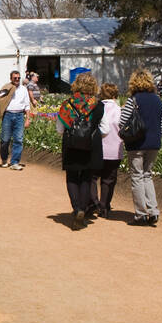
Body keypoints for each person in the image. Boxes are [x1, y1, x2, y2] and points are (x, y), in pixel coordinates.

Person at [117, 69, 162, 226]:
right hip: (154, 144)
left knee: (137, 177)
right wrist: (154, 134)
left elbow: (122, 122)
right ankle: (153, 210)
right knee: (148, 175)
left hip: (136, 144)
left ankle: (140, 214)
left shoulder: (133, 100)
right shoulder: (157, 100)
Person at [57, 74, 103, 228]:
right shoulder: (98, 105)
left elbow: (59, 129)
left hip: (71, 145)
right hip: (90, 146)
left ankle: (76, 208)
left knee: (72, 177)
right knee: (86, 178)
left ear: (76, 84)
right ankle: (83, 209)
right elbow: (106, 129)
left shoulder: (68, 104)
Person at [94, 83, 123, 218]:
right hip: (114, 149)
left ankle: (94, 203)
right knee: (109, 179)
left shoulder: (97, 108)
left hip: (98, 148)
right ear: (114, 95)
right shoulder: (119, 110)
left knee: (93, 177)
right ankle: (104, 205)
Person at [0, 69, 30, 169]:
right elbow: (0, 100)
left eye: (19, 78)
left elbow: (27, 105)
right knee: (5, 139)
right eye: (15, 78)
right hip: (8, 115)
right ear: (11, 78)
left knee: (18, 140)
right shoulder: (6, 87)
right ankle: (4, 159)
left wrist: (28, 119)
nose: (17, 79)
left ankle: (15, 162)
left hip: (19, 116)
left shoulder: (24, 89)